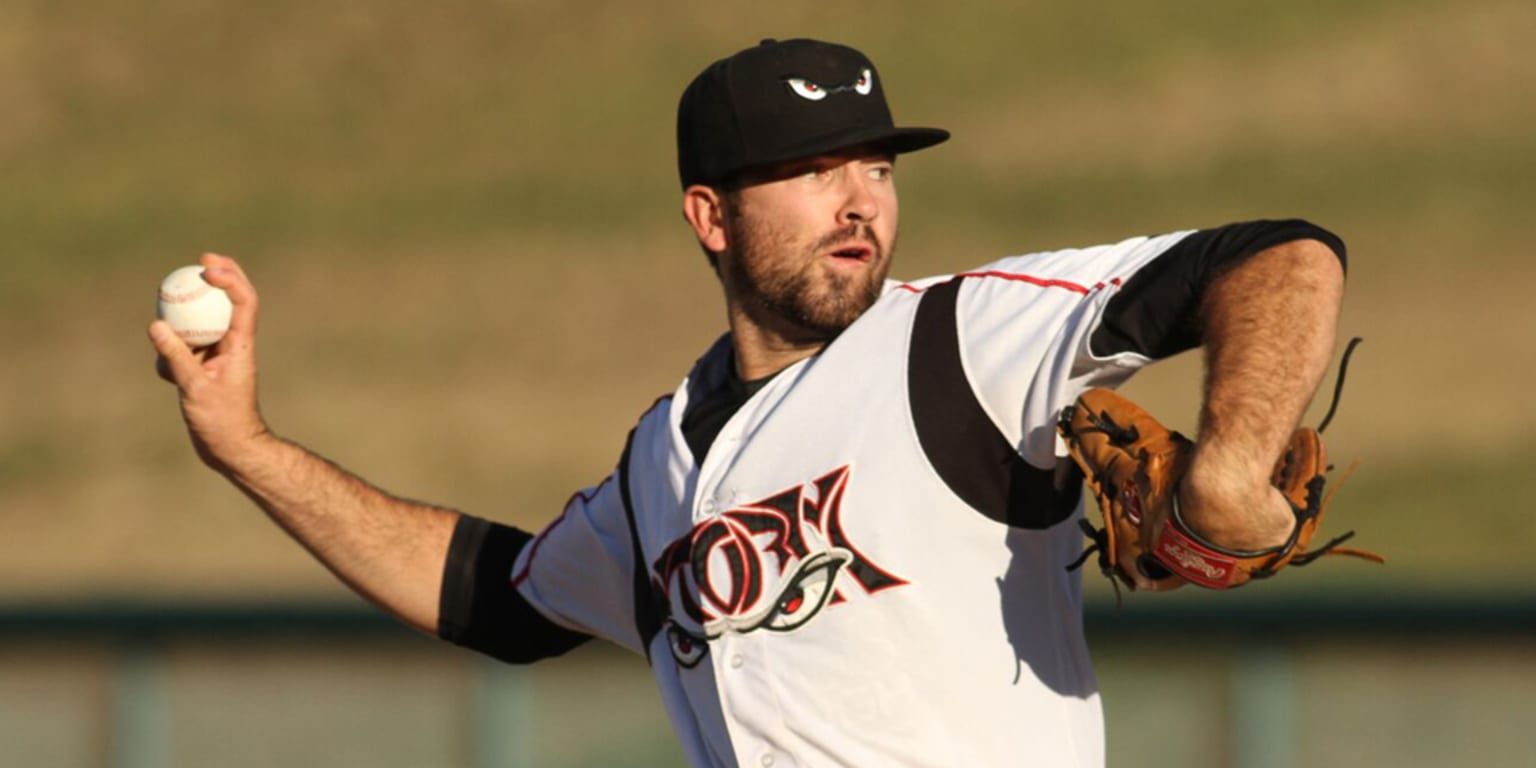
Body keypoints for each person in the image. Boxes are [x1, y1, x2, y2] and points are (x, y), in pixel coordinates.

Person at [150, 38, 1347, 768]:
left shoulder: (961, 341)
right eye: (810, 170)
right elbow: (499, 603)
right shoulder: (662, 458)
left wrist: (1232, 464)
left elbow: (1282, 257)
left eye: (874, 165)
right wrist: (244, 446)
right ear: (710, 217)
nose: (858, 199)